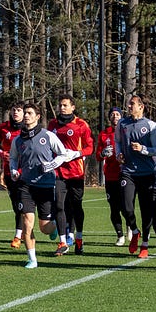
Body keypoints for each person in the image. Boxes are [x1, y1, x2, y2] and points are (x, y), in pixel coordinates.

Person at [8, 102, 79, 269]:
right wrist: (13, 170)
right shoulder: (18, 140)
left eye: (30, 113)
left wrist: (52, 165)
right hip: (25, 186)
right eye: (25, 113)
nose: (26, 116)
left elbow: (63, 154)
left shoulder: (48, 136)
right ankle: (32, 259)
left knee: (45, 228)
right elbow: (13, 158)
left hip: (45, 185)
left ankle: (53, 229)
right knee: (27, 222)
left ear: (37, 117)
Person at [116, 93, 156, 257]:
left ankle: (144, 244)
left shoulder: (151, 125)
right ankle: (134, 231)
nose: (129, 107)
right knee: (126, 207)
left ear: (141, 107)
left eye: (132, 104)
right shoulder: (122, 123)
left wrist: (142, 149)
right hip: (127, 172)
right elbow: (117, 142)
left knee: (146, 210)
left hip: (146, 173)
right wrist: (118, 154)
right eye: (129, 104)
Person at [51, 94, 95, 255]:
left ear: (73, 107)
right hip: (58, 171)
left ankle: (79, 238)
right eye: (60, 105)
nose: (62, 108)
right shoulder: (53, 124)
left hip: (76, 172)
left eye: (65, 105)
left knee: (76, 205)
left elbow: (90, 148)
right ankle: (63, 242)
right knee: (59, 205)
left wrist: (76, 154)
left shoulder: (81, 125)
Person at [0, 103, 26, 249]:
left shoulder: (28, 128)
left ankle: (18, 236)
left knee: (22, 203)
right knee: (16, 204)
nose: (16, 113)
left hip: (26, 172)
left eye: (19, 110)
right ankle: (24, 230)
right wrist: (1, 153)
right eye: (13, 110)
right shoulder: (3, 127)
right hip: (9, 172)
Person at [96, 107, 124, 245]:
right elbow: (97, 156)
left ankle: (131, 227)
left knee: (126, 206)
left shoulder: (126, 131)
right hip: (110, 176)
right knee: (114, 207)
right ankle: (120, 235)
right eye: (112, 114)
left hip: (125, 174)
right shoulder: (104, 134)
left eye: (117, 114)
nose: (115, 116)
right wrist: (103, 154)